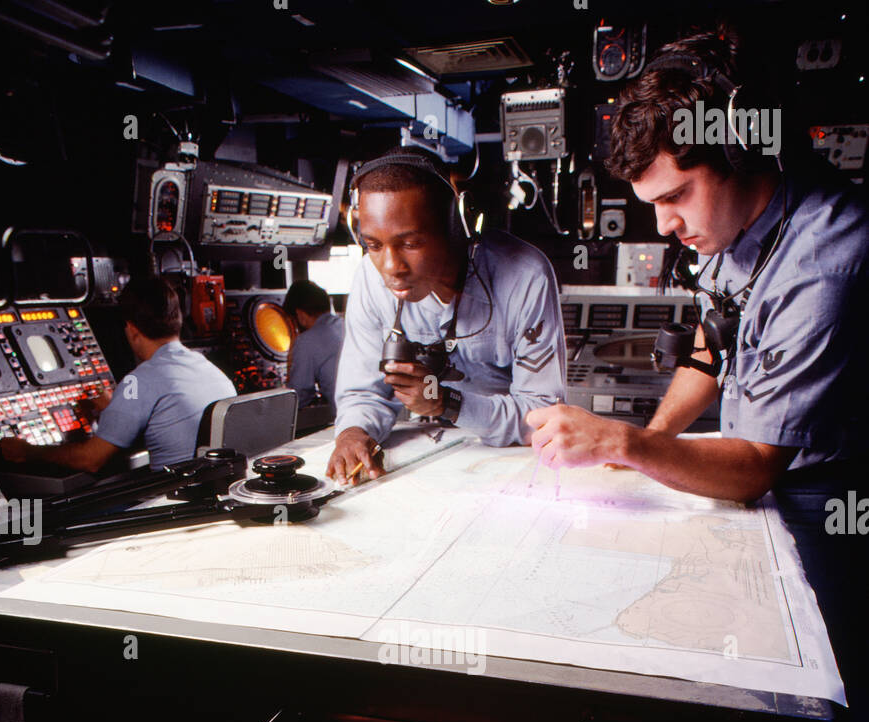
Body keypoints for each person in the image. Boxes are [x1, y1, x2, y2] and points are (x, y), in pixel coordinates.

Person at [526, 32, 869, 504]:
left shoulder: (822, 264)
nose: (665, 225)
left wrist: (623, 442)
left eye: (674, 196)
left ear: (739, 152)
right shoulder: (725, 223)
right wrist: (658, 436)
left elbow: (756, 469)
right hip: (752, 472)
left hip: (827, 495)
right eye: (652, 203)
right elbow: (717, 336)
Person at [327, 150, 566, 486]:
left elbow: (543, 419)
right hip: (429, 461)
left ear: (455, 227)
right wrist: (354, 431)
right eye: (374, 245)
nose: (392, 267)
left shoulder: (526, 276)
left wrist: (448, 404)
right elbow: (362, 393)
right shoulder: (369, 276)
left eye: (410, 243)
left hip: (512, 460)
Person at [0, 276, 235, 473]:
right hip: (208, 493)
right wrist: (115, 410)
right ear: (177, 321)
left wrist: (28, 451)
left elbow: (90, 460)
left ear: (131, 329)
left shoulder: (139, 380)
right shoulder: (209, 369)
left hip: (169, 502)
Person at [283, 280, 344, 408]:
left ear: (300, 315)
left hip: (353, 419)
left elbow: (299, 397)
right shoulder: (345, 325)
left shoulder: (306, 341)